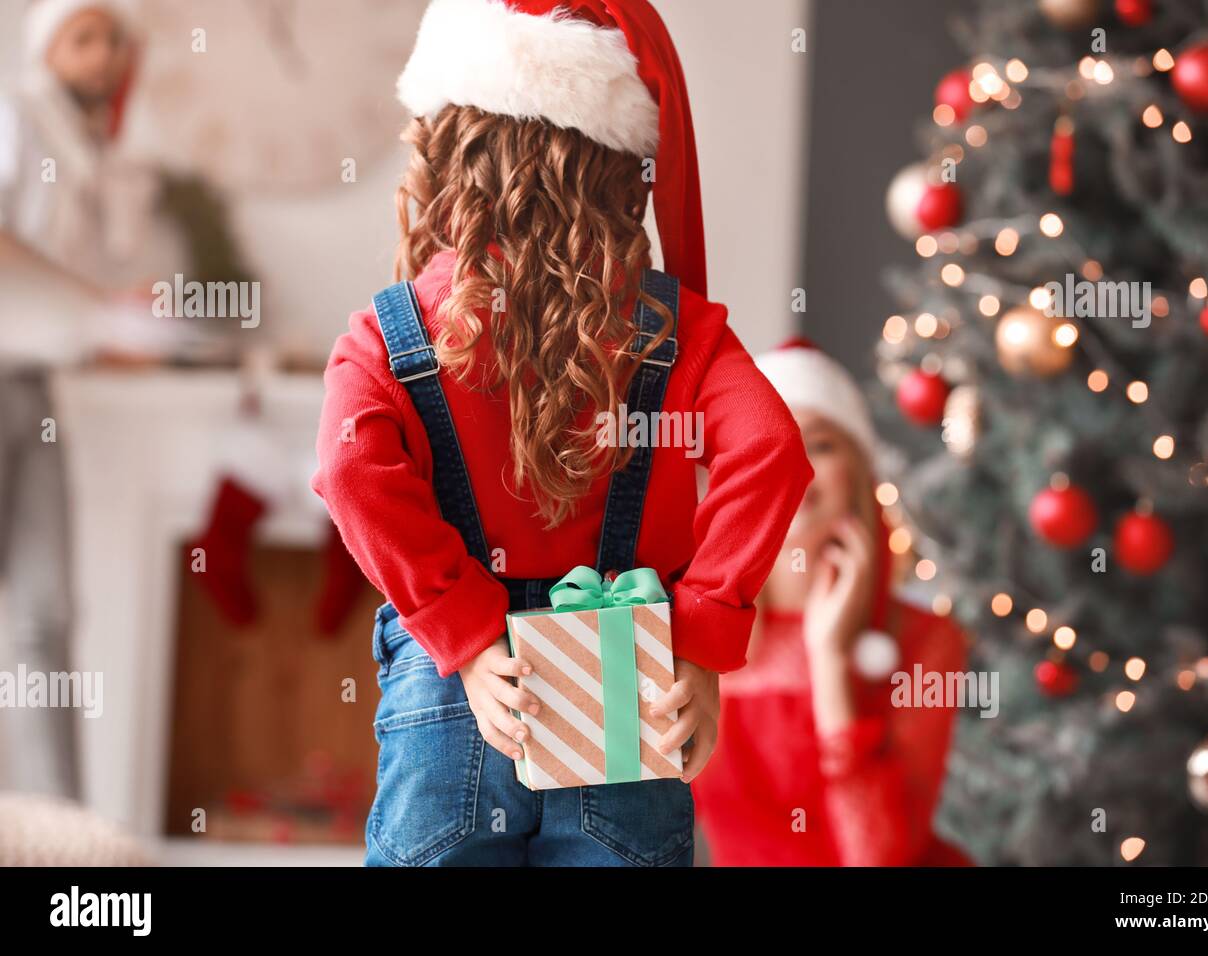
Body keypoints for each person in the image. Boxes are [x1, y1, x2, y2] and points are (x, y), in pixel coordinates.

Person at [312, 0, 814, 867]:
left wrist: (465, 630)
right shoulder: (677, 331)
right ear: (622, 172)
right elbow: (769, 448)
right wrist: (695, 633)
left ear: (444, 155)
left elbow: (349, 468)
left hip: (460, 694)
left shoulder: (391, 334)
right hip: (621, 684)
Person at [691, 339, 974, 866]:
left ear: (859, 473)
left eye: (819, 444)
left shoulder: (928, 640)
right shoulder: (698, 633)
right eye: (769, 444)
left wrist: (830, 662)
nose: (794, 466)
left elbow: (879, 856)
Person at [0, 0, 159, 798]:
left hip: (35, 383)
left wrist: (104, 324)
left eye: (112, 42)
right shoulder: (13, 115)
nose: (102, 57)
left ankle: (59, 828)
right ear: (48, 48)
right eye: (83, 39)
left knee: (46, 612)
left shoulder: (92, 150)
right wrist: (95, 307)